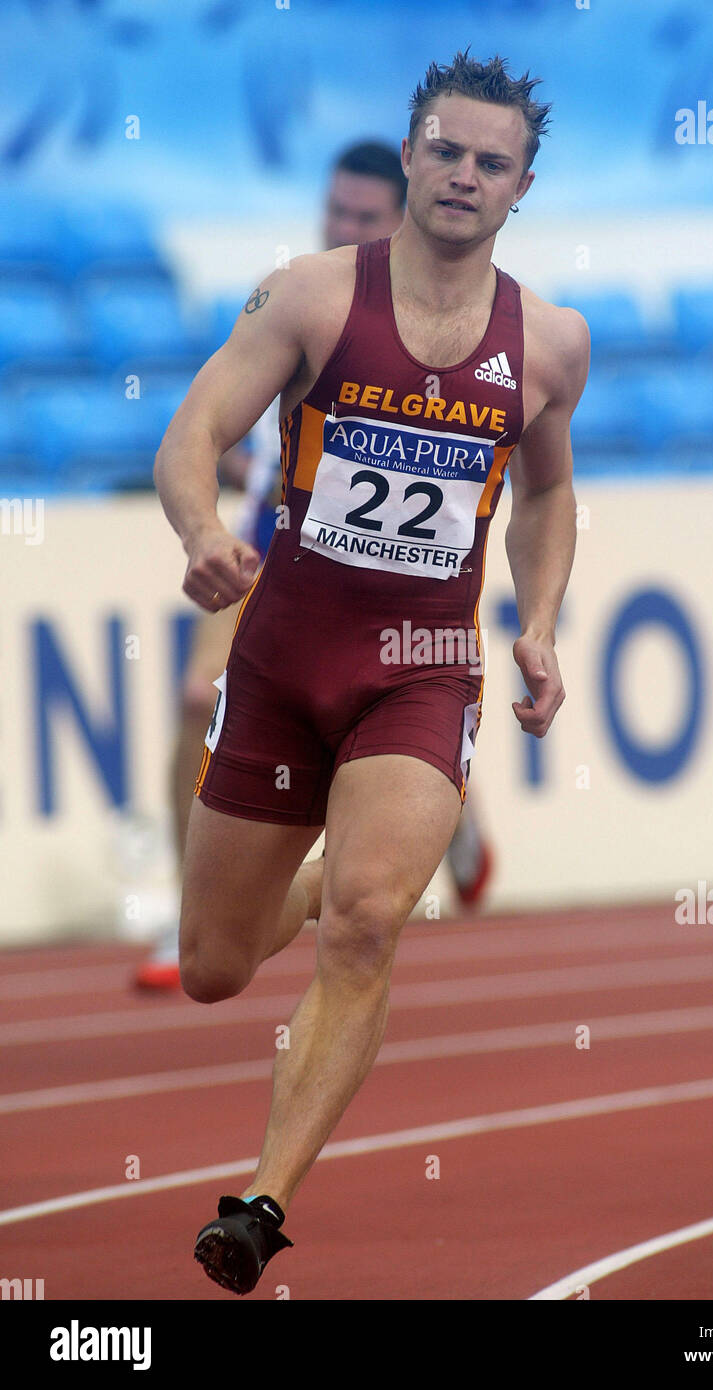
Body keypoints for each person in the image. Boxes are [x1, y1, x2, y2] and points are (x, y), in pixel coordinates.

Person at [154, 50, 589, 1294]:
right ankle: (298, 878)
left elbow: (548, 494)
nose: (462, 174)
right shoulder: (306, 298)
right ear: (406, 155)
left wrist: (541, 621)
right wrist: (199, 535)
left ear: (518, 186)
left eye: (489, 161)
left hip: (422, 668)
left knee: (367, 921)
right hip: (287, 658)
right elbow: (192, 435)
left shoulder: (548, 345)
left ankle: (261, 1200)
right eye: (442, 150)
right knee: (212, 968)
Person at [135, 140, 493, 990]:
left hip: (381, 582)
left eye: (363, 216)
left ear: (398, 215)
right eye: (335, 209)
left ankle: (453, 822)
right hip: (267, 547)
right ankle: (187, 896)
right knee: (196, 697)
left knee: (389, 717)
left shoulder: (417, 313)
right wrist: (209, 520)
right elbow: (213, 423)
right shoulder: (297, 293)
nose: (344, 226)